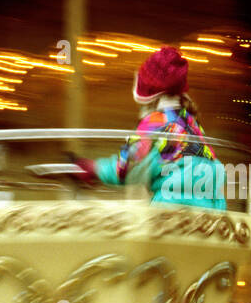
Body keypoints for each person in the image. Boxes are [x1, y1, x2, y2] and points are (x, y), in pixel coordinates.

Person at [74, 46, 226, 210]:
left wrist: (95, 169)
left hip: (172, 215)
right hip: (213, 217)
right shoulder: (191, 122)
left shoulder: (156, 122)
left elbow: (127, 167)